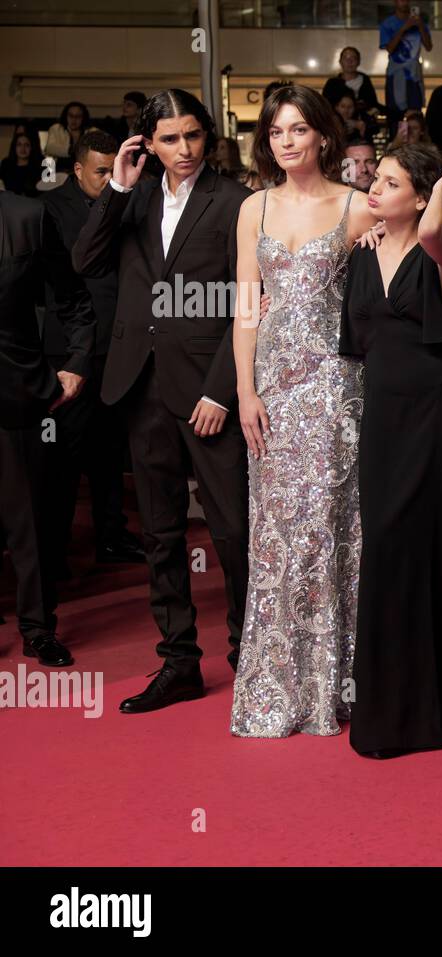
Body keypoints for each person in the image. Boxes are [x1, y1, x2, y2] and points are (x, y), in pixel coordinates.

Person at [72, 89, 253, 713]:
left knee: (232, 531)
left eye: (193, 136)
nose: (183, 150)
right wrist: (117, 190)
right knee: (161, 534)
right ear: (147, 142)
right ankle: (179, 661)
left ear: (208, 135)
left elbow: (250, 305)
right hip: (140, 386)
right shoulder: (135, 196)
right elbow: (84, 259)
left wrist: (221, 390)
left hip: (207, 393)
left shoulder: (235, 201)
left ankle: (247, 659)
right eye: (169, 138)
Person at [228, 85, 379, 738]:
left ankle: (337, 682)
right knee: (275, 536)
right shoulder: (252, 208)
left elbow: (384, 290)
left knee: (330, 529)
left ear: (323, 136)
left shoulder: (356, 207)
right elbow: (247, 307)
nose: (287, 141)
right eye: (277, 132)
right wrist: (244, 391)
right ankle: (278, 685)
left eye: (299, 130)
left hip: (334, 390)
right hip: (272, 393)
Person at [338, 144, 442, 756]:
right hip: (382, 420)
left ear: (422, 198)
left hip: (436, 415)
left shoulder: (439, 250)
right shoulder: (362, 255)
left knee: (434, 549)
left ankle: (439, 703)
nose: (374, 188)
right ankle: (387, 706)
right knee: (387, 548)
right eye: (376, 179)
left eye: (391, 182)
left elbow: (433, 231)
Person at [41, 127, 145, 583]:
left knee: (109, 451)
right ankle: (53, 550)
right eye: (99, 171)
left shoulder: (126, 201)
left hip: (116, 347)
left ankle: (111, 534)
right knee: (62, 458)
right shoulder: (48, 210)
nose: (108, 178)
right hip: (68, 353)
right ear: (78, 168)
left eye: (112, 170)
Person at [0, 189, 93, 668]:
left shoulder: (27, 215)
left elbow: (74, 297)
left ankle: (38, 628)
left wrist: (76, 361)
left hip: (18, 393)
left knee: (29, 521)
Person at [380, 0, 431, 137]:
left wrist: (420, 26)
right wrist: (404, 28)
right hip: (395, 74)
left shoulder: (420, 21)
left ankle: (417, 148)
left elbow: (429, 46)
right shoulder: (387, 24)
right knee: (396, 114)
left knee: (416, 115)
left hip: (414, 75)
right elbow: (389, 48)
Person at [323, 46, 381, 117]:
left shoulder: (365, 81)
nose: (350, 61)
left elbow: (372, 104)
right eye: (346, 58)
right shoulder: (332, 83)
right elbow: (325, 106)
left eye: (353, 58)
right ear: (340, 62)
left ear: (358, 62)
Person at [45, 101, 96, 172]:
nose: (74, 119)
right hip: (59, 171)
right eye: (71, 115)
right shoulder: (57, 128)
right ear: (66, 116)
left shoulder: (91, 131)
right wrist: (70, 150)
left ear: (83, 118)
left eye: (78, 116)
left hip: (83, 171)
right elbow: (49, 148)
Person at [1, 132, 44, 196]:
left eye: (27, 145)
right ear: (14, 147)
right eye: (19, 144)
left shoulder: (38, 168)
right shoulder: (6, 164)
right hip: (9, 202)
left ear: (31, 148)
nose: (23, 148)